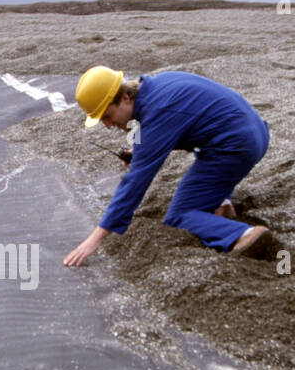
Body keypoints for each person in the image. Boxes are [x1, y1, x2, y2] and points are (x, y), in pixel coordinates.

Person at [63, 66, 276, 266]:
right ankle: (220, 202)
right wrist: (137, 152)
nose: (108, 125)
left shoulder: (157, 114)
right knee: (205, 160)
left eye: (107, 116)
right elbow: (171, 123)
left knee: (179, 216)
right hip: (255, 132)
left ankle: (244, 234)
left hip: (235, 147)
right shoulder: (157, 85)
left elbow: (134, 183)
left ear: (126, 97)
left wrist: (96, 237)